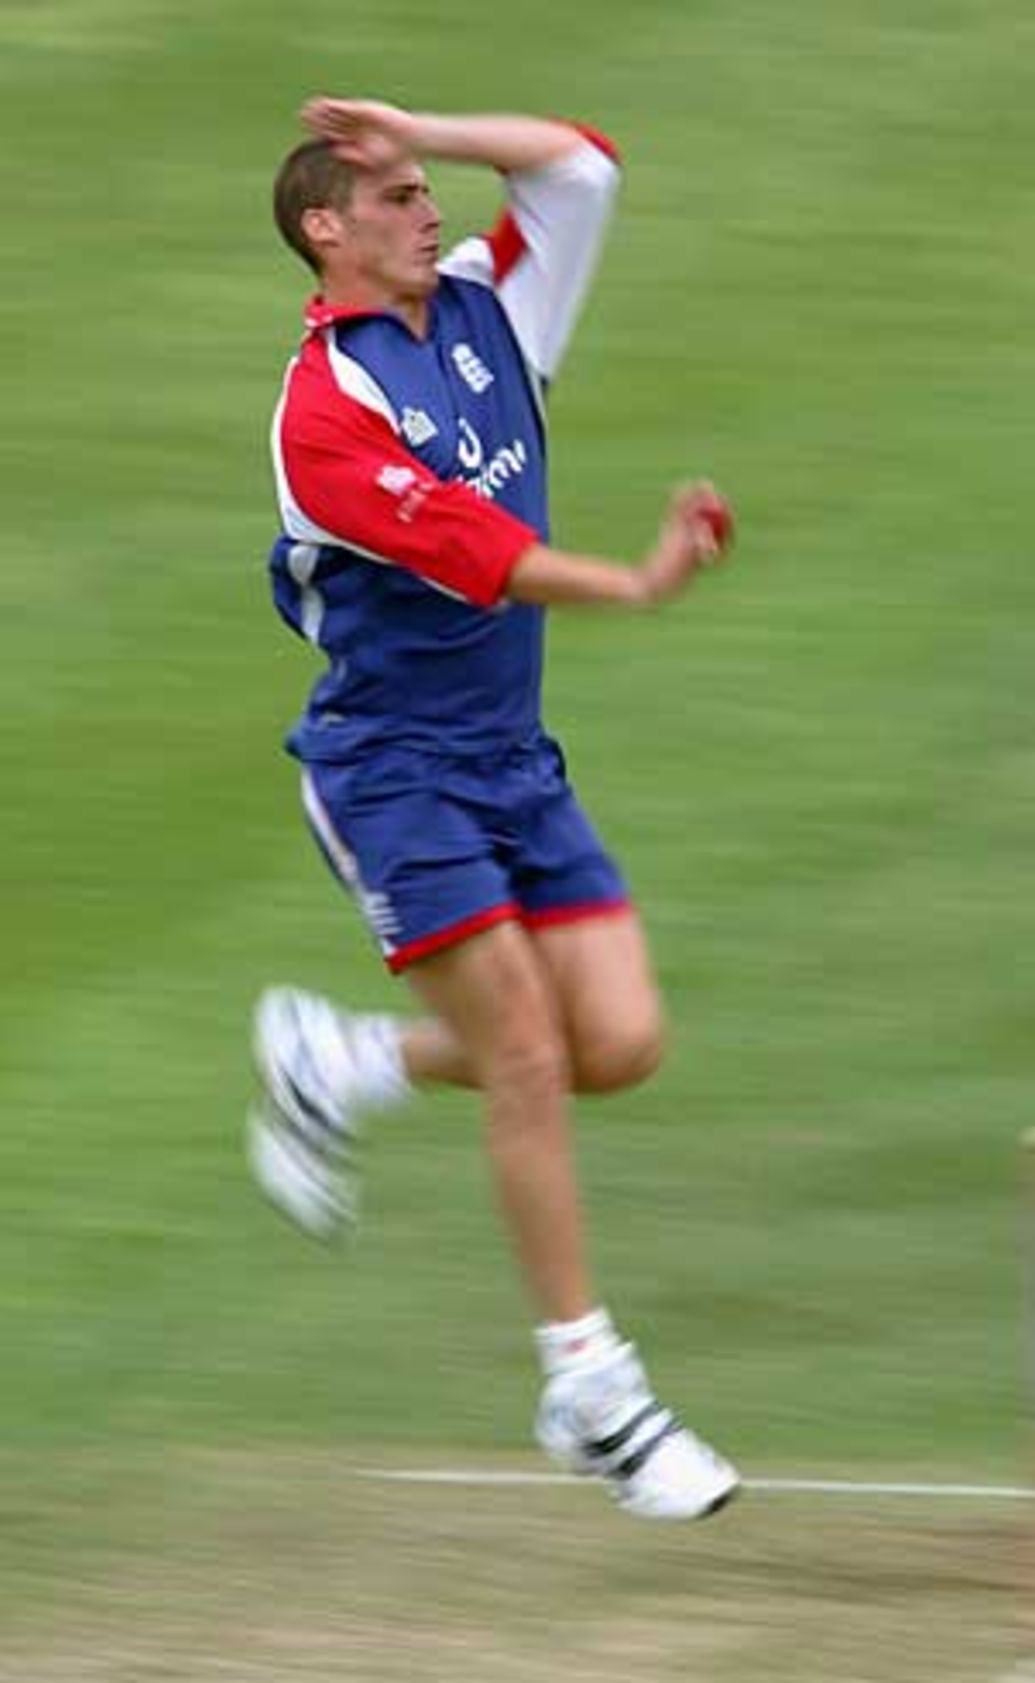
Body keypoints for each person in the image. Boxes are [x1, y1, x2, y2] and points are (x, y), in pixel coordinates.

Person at [251, 95, 738, 1521]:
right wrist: (639, 585)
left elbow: (583, 160)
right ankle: (592, 1391)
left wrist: (416, 124)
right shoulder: (325, 418)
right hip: (389, 767)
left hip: (513, 757)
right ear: (324, 232)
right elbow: (483, 554)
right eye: (398, 194)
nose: (435, 206)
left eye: (429, 187)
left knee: (621, 1042)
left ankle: (344, 1062)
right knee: (526, 1052)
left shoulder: (489, 310)